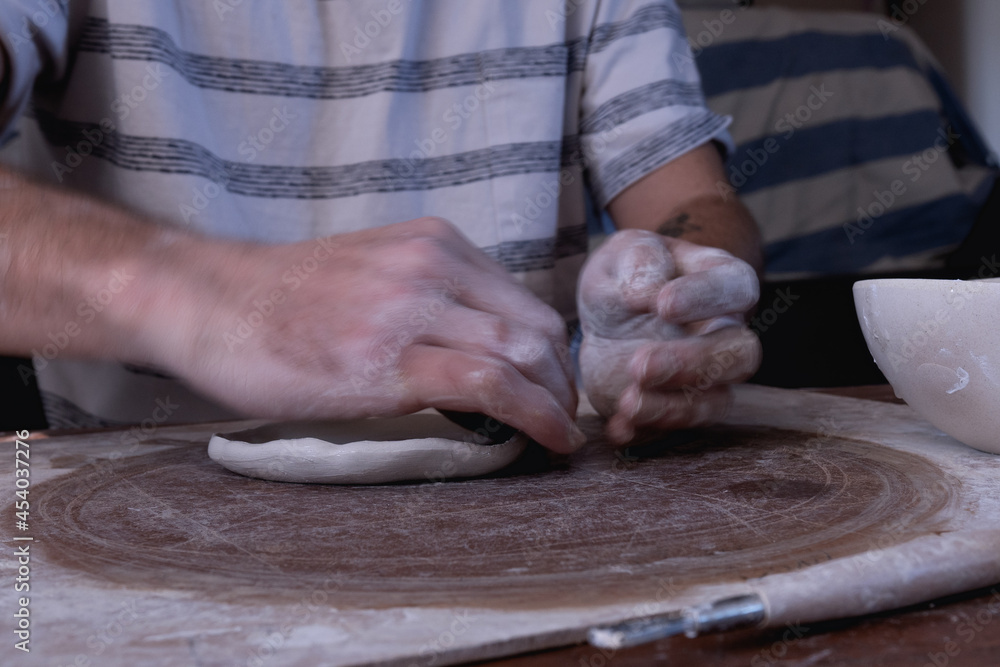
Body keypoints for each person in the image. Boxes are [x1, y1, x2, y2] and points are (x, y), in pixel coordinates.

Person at [0, 0, 762, 452]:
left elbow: (694, 207)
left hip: (520, 505)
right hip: (139, 518)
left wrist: (671, 286)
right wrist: (207, 297)